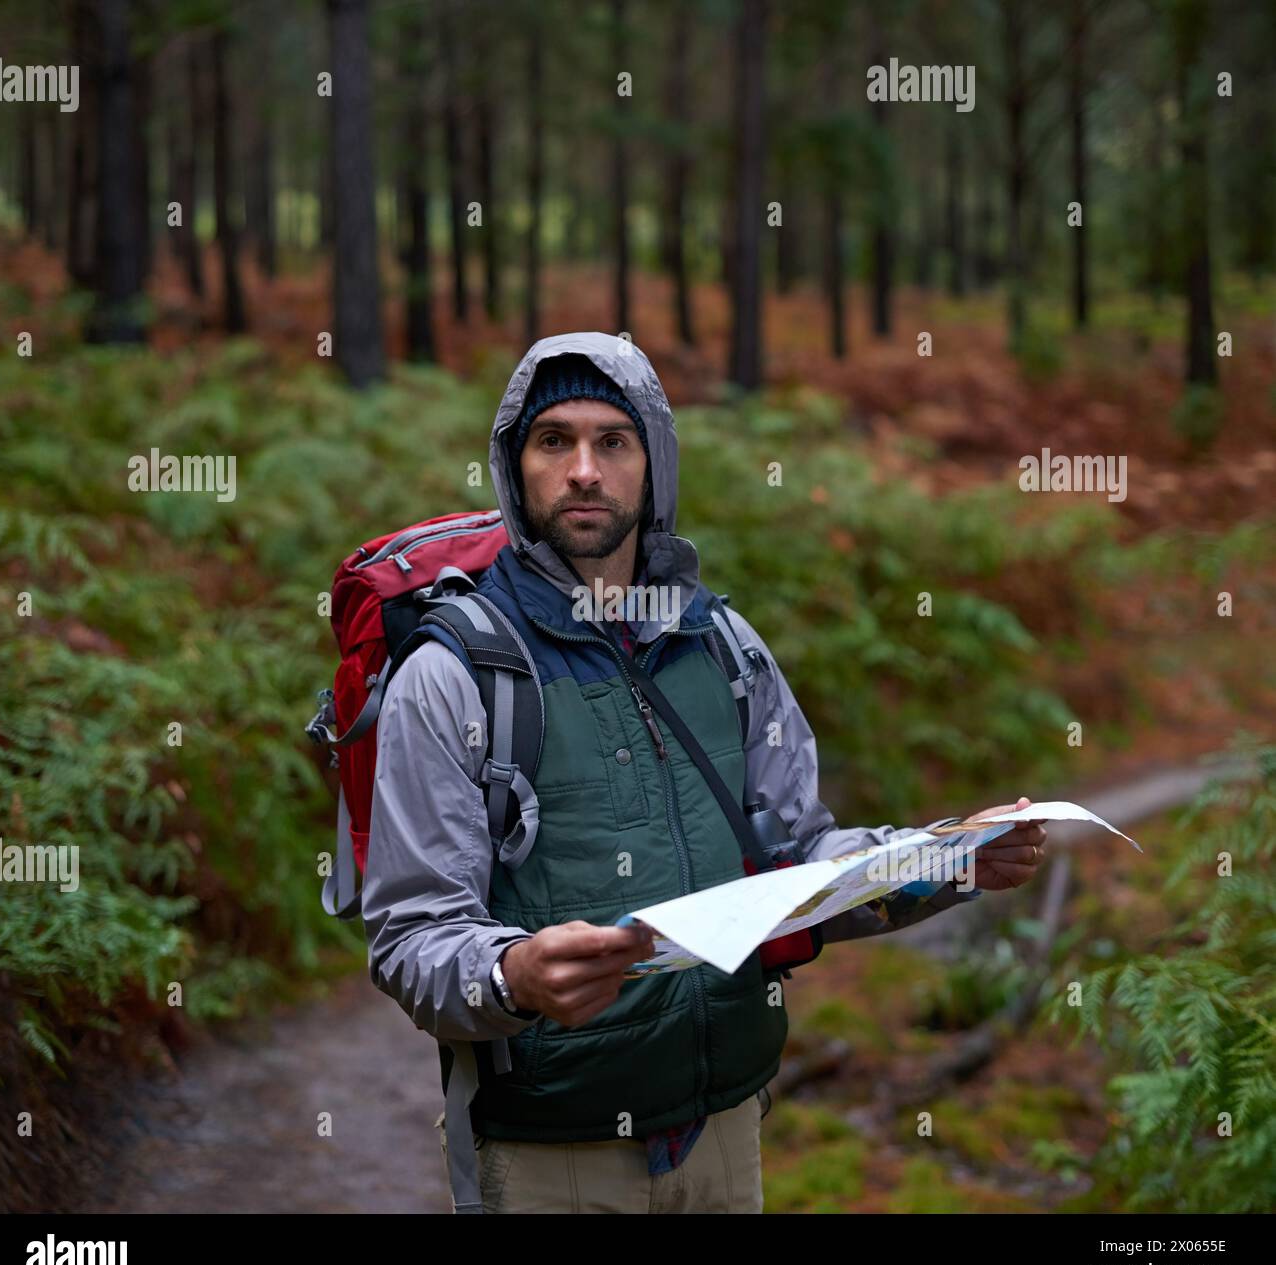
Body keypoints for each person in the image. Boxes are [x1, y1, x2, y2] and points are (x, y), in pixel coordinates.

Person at [360, 331, 1047, 1214]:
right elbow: (412, 935)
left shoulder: (722, 646)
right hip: (548, 1153)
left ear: (654, 463)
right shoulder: (456, 675)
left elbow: (799, 862)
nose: (583, 471)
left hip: (724, 1133)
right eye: (554, 441)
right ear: (513, 467)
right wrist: (510, 976)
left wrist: (945, 859)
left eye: (613, 441)